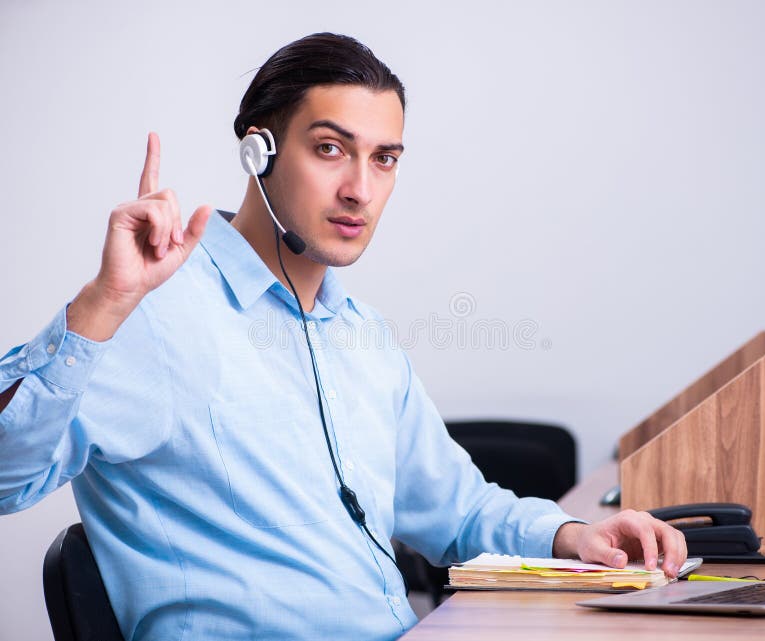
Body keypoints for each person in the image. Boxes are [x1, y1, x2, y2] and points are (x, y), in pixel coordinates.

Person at [0, 33, 686, 641]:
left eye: (384, 158)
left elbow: (455, 507)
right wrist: (103, 301)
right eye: (330, 149)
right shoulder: (156, 314)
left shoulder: (358, 333)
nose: (361, 188)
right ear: (257, 149)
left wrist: (574, 534)